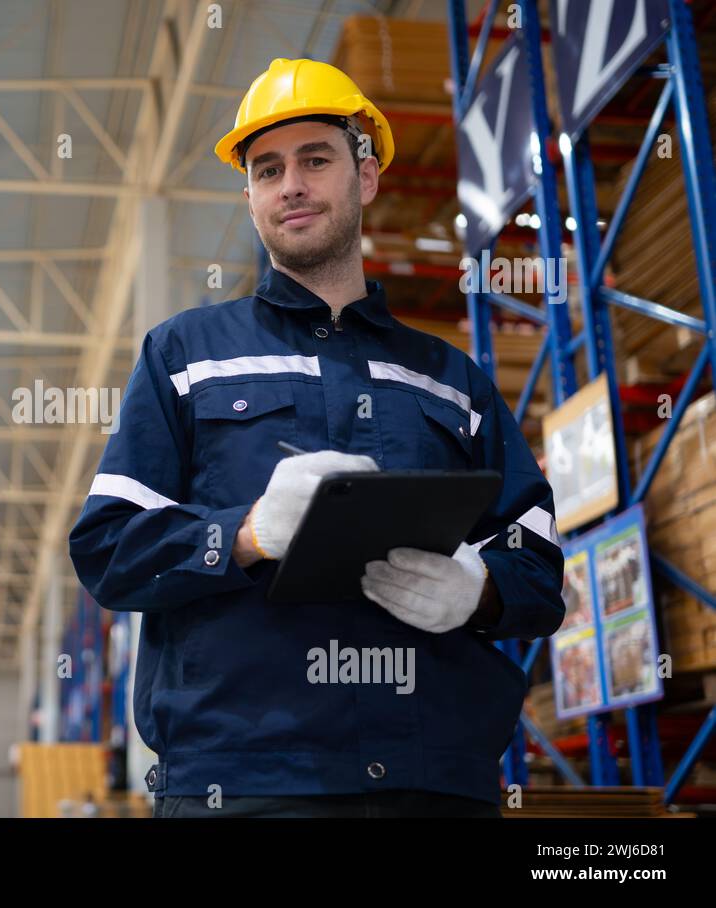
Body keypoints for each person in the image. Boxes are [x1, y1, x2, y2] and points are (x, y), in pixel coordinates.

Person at [68, 58, 565, 819]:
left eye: (315, 159)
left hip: (432, 783)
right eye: (268, 170)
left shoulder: (450, 380)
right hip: (244, 786)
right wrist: (244, 533)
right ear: (251, 199)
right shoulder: (184, 356)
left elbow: (539, 559)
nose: (291, 184)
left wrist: (482, 590)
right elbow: (108, 549)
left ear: (364, 178)